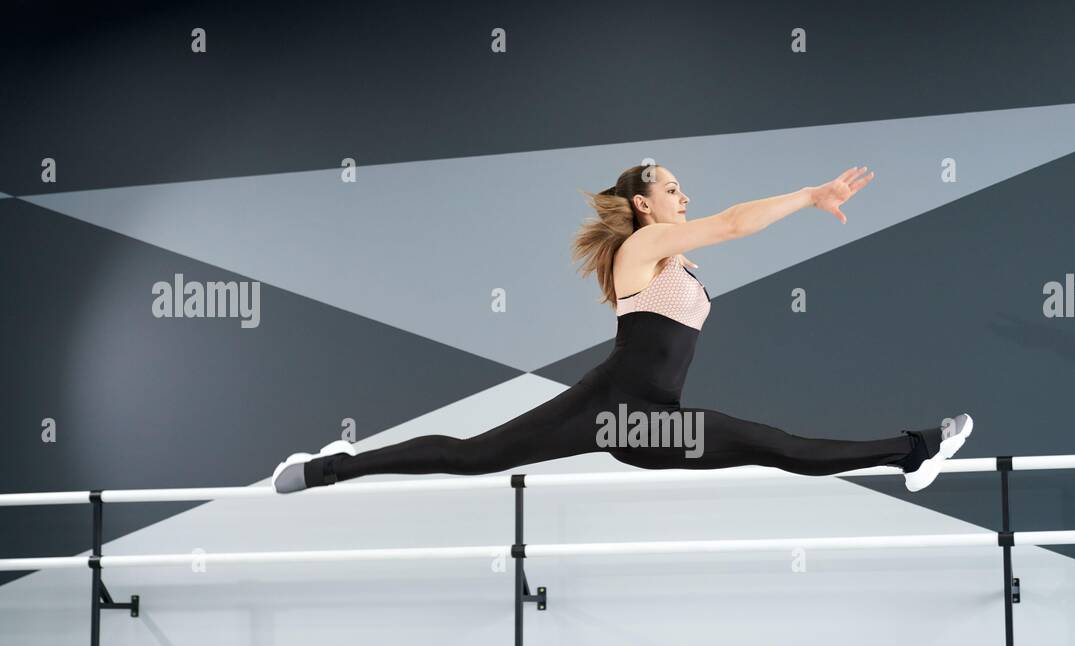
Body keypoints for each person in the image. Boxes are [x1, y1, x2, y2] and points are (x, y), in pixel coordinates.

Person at [273, 163, 971, 494]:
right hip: (630, 420)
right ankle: (323, 467)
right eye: (671, 189)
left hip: (634, 415)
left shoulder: (667, 255)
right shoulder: (639, 251)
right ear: (643, 203)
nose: (684, 195)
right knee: (469, 455)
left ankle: (913, 451)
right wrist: (810, 196)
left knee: (471, 454)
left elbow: (718, 223)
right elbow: (731, 221)